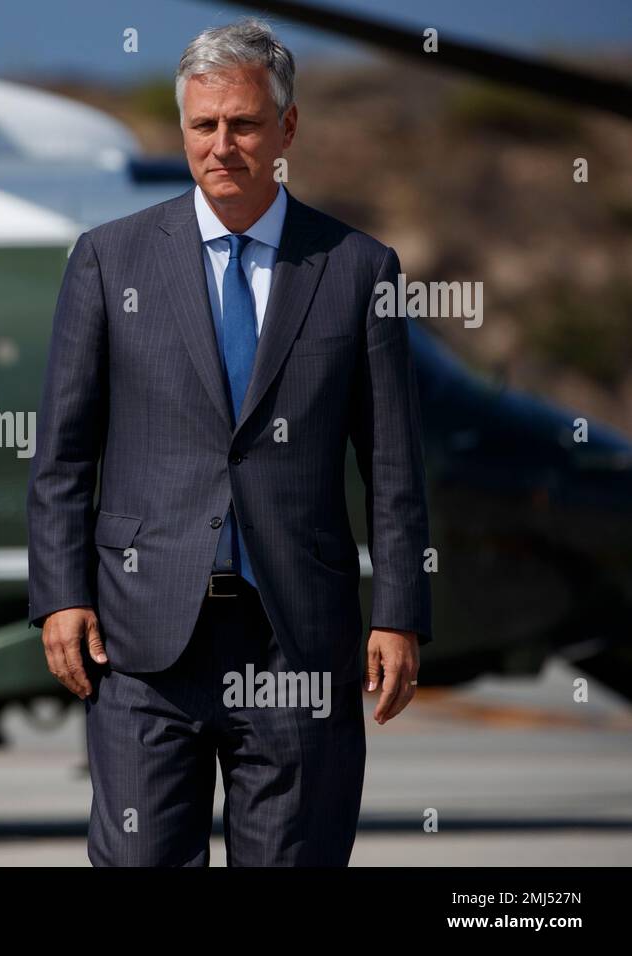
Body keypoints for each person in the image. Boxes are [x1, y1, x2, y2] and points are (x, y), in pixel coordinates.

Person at [27, 18, 432, 866]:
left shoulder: (360, 269)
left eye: (244, 124)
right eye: (203, 125)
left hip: (297, 636)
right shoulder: (110, 260)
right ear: (182, 129)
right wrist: (60, 594)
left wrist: (399, 612)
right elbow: (63, 453)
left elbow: (392, 461)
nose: (222, 146)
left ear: (286, 128)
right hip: (140, 643)